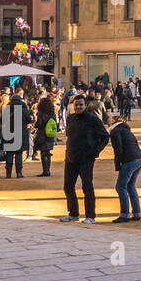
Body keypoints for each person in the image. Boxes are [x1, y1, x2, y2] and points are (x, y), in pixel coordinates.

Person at [60, 95, 109, 224]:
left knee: (87, 187)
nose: (78, 107)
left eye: (81, 104)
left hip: (86, 159)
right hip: (70, 157)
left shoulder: (93, 120)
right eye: (76, 105)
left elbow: (104, 137)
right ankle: (73, 213)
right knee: (68, 186)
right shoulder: (70, 118)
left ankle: (90, 216)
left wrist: (95, 151)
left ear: (85, 105)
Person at [108, 110, 141, 222]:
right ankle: (137, 213)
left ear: (114, 121)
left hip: (129, 160)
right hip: (139, 158)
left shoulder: (115, 131)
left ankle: (124, 214)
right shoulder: (126, 130)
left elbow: (118, 149)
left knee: (120, 187)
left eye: (110, 119)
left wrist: (117, 164)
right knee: (130, 186)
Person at [0, 89, 30, 179]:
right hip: (20, 135)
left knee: (9, 154)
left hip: (9, 134)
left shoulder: (7, 109)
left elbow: (1, 121)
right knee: (19, 154)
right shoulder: (23, 109)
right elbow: (29, 120)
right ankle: (19, 173)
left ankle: (8, 173)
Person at [34, 95, 58, 177]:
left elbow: (39, 124)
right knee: (47, 152)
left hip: (42, 135)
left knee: (43, 153)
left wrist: (35, 125)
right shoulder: (52, 113)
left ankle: (45, 170)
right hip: (50, 134)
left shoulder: (41, 113)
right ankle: (48, 170)